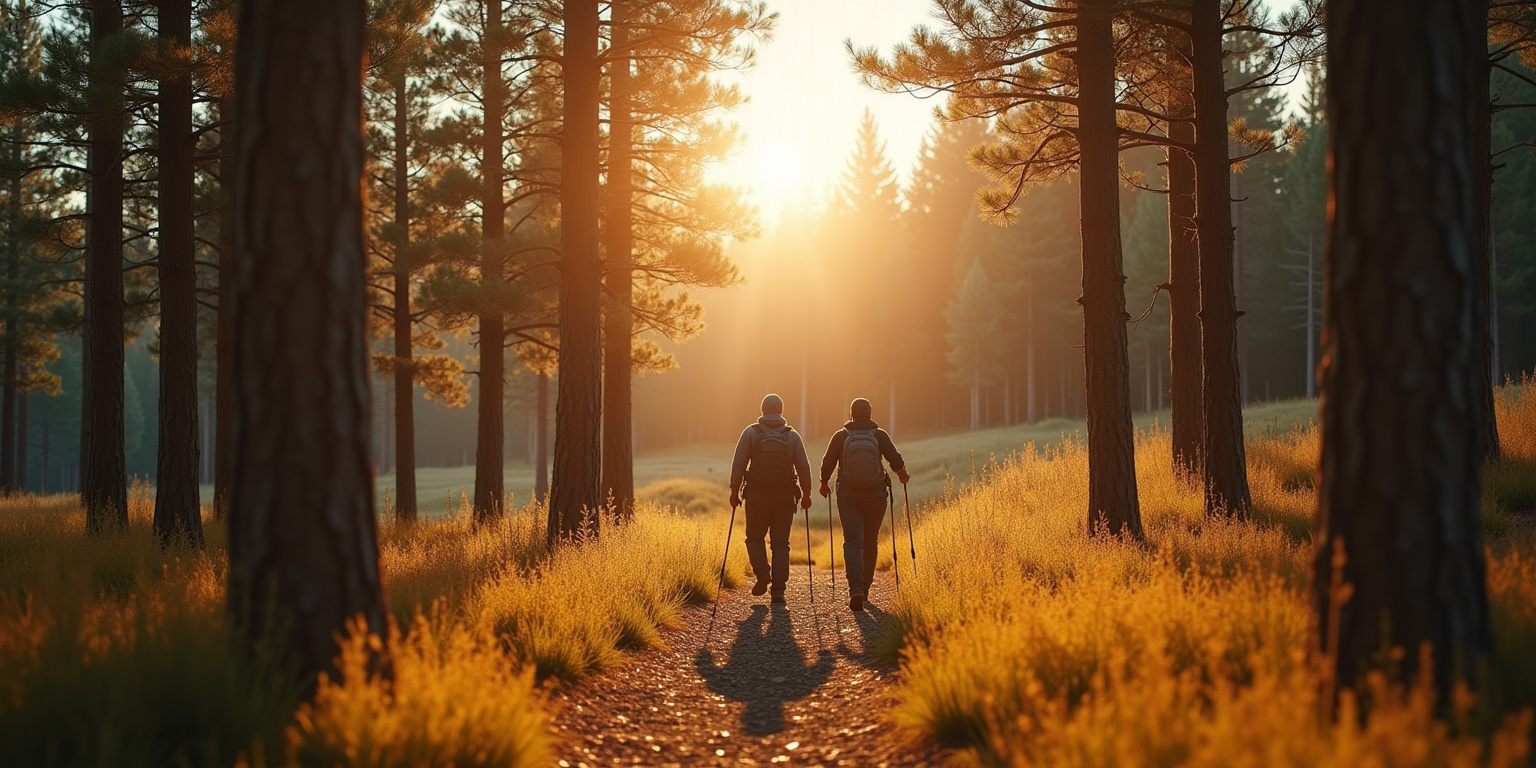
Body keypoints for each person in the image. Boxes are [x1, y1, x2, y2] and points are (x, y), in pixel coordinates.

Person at [819, 397, 908, 611]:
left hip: (848, 497)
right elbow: (895, 459)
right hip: (876, 496)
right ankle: (866, 588)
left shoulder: (840, 436)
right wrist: (902, 474)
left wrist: (823, 483)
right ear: (869, 413)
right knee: (870, 542)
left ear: (851, 414)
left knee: (852, 542)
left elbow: (827, 462)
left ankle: (856, 589)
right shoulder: (879, 435)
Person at [729, 393, 814, 604]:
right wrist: (806, 494)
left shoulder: (751, 432)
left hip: (756, 497)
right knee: (781, 544)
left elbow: (739, 462)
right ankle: (778, 591)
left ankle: (762, 574)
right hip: (785, 498)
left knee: (754, 538)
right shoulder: (792, 435)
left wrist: (734, 490)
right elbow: (803, 467)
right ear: (781, 411)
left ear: (763, 410)